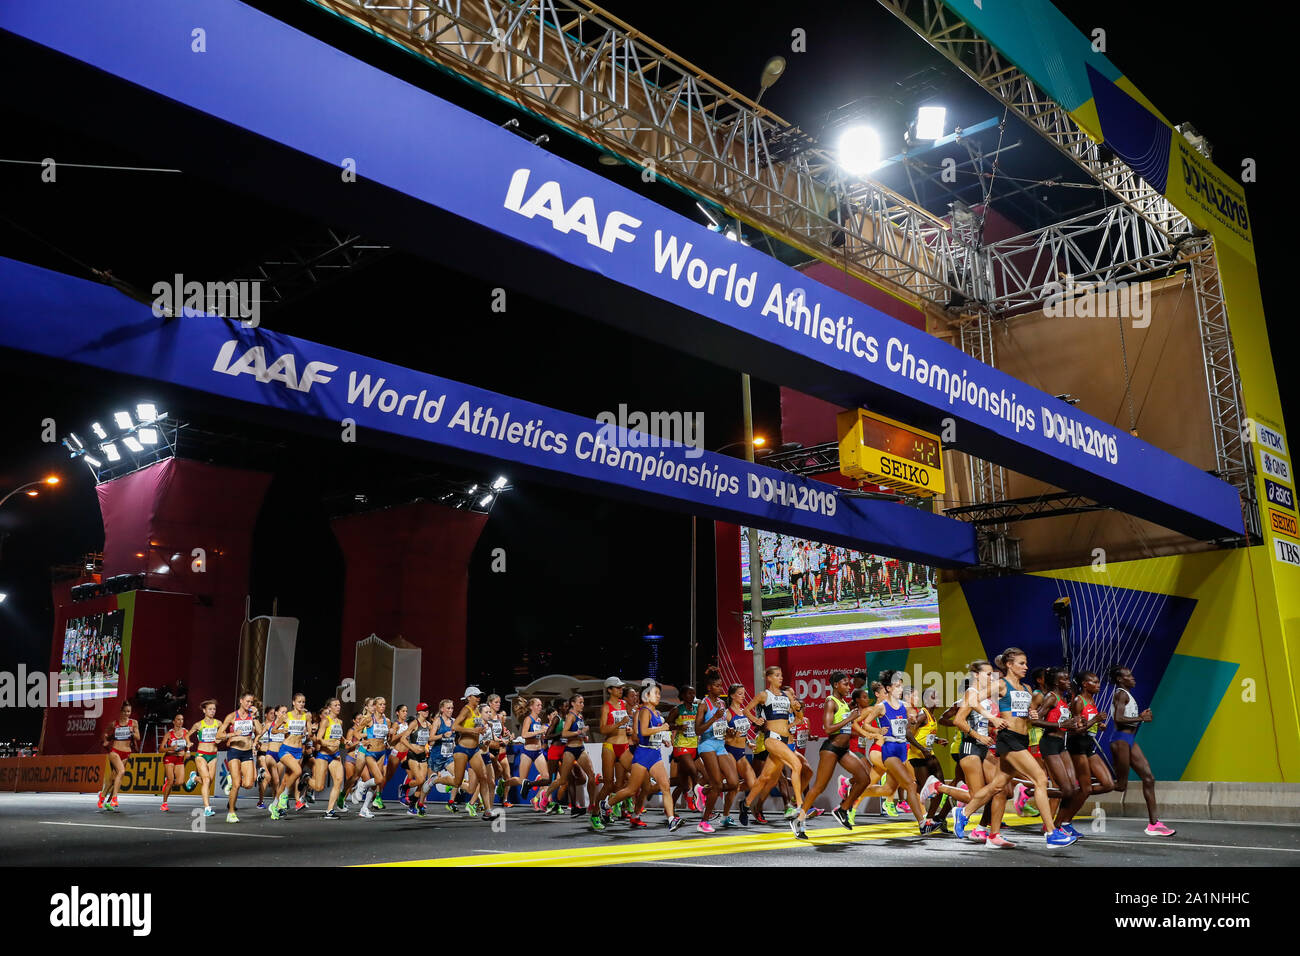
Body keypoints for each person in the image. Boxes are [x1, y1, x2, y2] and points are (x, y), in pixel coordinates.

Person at [937, 650, 1078, 848]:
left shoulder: (1027, 688)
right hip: (1008, 739)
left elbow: (1027, 717)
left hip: (1022, 739)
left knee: (998, 786)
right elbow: (972, 701)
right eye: (1021, 663)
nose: (1026, 667)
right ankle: (1051, 833)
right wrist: (992, 717)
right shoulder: (1001, 684)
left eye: (1026, 663)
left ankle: (966, 812)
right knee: (1039, 778)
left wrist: (1033, 716)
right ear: (1009, 665)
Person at [599, 681, 685, 831]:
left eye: (659, 693)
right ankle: (606, 804)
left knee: (665, 786)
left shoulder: (657, 713)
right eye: (655, 693)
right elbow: (643, 732)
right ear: (646, 696)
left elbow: (657, 732)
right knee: (632, 790)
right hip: (643, 754)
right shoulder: (644, 711)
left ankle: (671, 819)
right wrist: (662, 728)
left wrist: (664, 736)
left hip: (655, 754)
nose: (658, 696)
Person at [1108, 666, 1175, 837]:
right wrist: (1141, 718)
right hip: (1121, 739)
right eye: (1128, 675)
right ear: (1120, 679)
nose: (1133, 678)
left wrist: (1141, 717)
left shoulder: (1127, 695)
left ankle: (1154, 824)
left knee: (1149, 778)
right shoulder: (1120, 693)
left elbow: (1127, 719)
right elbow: (1118, 719)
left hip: (1130, 740)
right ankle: (1080, 790)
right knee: (1120, 786)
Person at [799, 672, 872, 829]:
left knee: (864, 779)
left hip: (844, 751)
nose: (849, 687)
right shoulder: (830, 702)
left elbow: (845, 724)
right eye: (845, 684)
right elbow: (828, 728)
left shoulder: (844, 703)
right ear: (836, 685)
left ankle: (843, 809)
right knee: (819, 787)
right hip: (831, 749)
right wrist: (849, 718)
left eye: (849, 684)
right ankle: (799, 819)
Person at [740, 666, 805, 836]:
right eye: (777, 675)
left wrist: (797, 709)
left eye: (781, 675)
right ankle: (798, 806)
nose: (780, 678)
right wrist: (757, 720)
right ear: (769, 678)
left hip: (784, 738)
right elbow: (746, 710)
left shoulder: (787, 696)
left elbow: (800, 718)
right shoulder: (764, 695)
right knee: (797, 765)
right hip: (771, 738)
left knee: (765, 778)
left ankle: (746, 804)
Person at [695, 668, 739, 831]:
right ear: (709, 687)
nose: (721, 689)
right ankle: (704, 822)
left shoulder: (721, 703)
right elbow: (698, 730)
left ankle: (704, 791)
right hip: (706, 745)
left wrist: (729, 731)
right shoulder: (703, 704)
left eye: (721, 686)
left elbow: (721, 726)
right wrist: (713, 717)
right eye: (717, 686)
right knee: (718, 785)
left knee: (734, 783)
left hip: (720, 744)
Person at [270, 692, 311, 821]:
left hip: (298, 751)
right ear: (293, 702)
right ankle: (285, 796)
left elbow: (309, 734)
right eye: (299, 701)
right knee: (298, 771)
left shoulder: (306, 716)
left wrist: (307, 732)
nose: (301, 704)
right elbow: (273, 730)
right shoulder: (286, 716)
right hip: (286, 749)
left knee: (285, 781)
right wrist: (282, 730)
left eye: (303, 702)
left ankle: (274, 806)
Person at [219, 693, 260, 823]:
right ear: (241, 701)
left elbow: (260, 731)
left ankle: (231, 780)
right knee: (237, 784)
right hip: (234, 751)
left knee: (248, 784)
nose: (249, 704)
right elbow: (219, 735)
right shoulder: (232, 716)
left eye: (251, 702)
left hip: (247, 752)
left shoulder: (251, 716)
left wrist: (256, 716)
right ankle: (231, 812)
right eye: (247, 701)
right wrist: (232, 734)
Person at [98, 701, 139, 811]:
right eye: (125, 711)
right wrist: (105, 741)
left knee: (114, 777)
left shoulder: (133, 723)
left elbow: (138, 737)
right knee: (121, 772)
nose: (127, 714)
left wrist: (132, 732)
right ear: (121, 712)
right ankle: (114, 798)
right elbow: (105, 734)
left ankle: (104, 797)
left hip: (126, 753)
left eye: (129, 711)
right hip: (115, 751)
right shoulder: (114, 724)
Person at [185, 699, 222, 816]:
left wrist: (220, 739)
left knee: (208, 781)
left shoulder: (219, 723)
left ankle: (194, 778)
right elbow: (187, 735)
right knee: (206, 780)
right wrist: (188, 744)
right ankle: (207, 808)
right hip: (201, 754)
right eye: (210, 709)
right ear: (204, 710)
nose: (212, 711)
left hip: (213, 755)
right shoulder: (199, 724)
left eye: (214, 709)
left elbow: (223, 736)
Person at [516, 696, 551, 810]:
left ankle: (538, 800)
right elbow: (524, 735)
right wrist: (540, 731)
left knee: (546, 777)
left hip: (538, 752)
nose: (540, 707)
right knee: (522, 780)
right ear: (531, 707)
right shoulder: (528, 719)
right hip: (527, 752)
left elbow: (537, 735)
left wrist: (543, 735)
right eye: (538, 705)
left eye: (541, 705)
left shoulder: (539, 720)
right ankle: (505, 783)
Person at [313, 698, 346, 819]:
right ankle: (306, 781)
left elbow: (339, 736)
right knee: (319, 787)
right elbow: (318, 738)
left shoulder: (340, 722)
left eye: (339, 705)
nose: (338, 707)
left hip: (335, 755)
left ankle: (329, 810)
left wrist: (345, 741)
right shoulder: (325, 721)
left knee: (338, 781)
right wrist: (328, 744)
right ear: (329, 708)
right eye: (335, 705)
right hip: (323, 754)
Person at [670, 685, 701, 815]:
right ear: (682, 696)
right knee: (694, 772)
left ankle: (670, 808)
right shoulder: (677, 710)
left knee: (683, 783)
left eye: (693, 693)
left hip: (694, 746)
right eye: (689, 694)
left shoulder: (697, 709)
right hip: (681, 747)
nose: (692, 696)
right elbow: (667, 724)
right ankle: (696, 795)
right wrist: (677, 726)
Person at [160, 712, 190, 812]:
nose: (180, 721)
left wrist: (188, 751)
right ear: (174, 721)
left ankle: (168, 783)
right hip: (170, 758)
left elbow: (188, 743)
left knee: (180, 782)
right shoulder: (169, 734)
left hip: (180, 758)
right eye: (178, 719)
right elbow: (160, 749)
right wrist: (171, 748)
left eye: (182, 719)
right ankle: (164, 803)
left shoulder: (186, 732)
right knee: (171, 779)